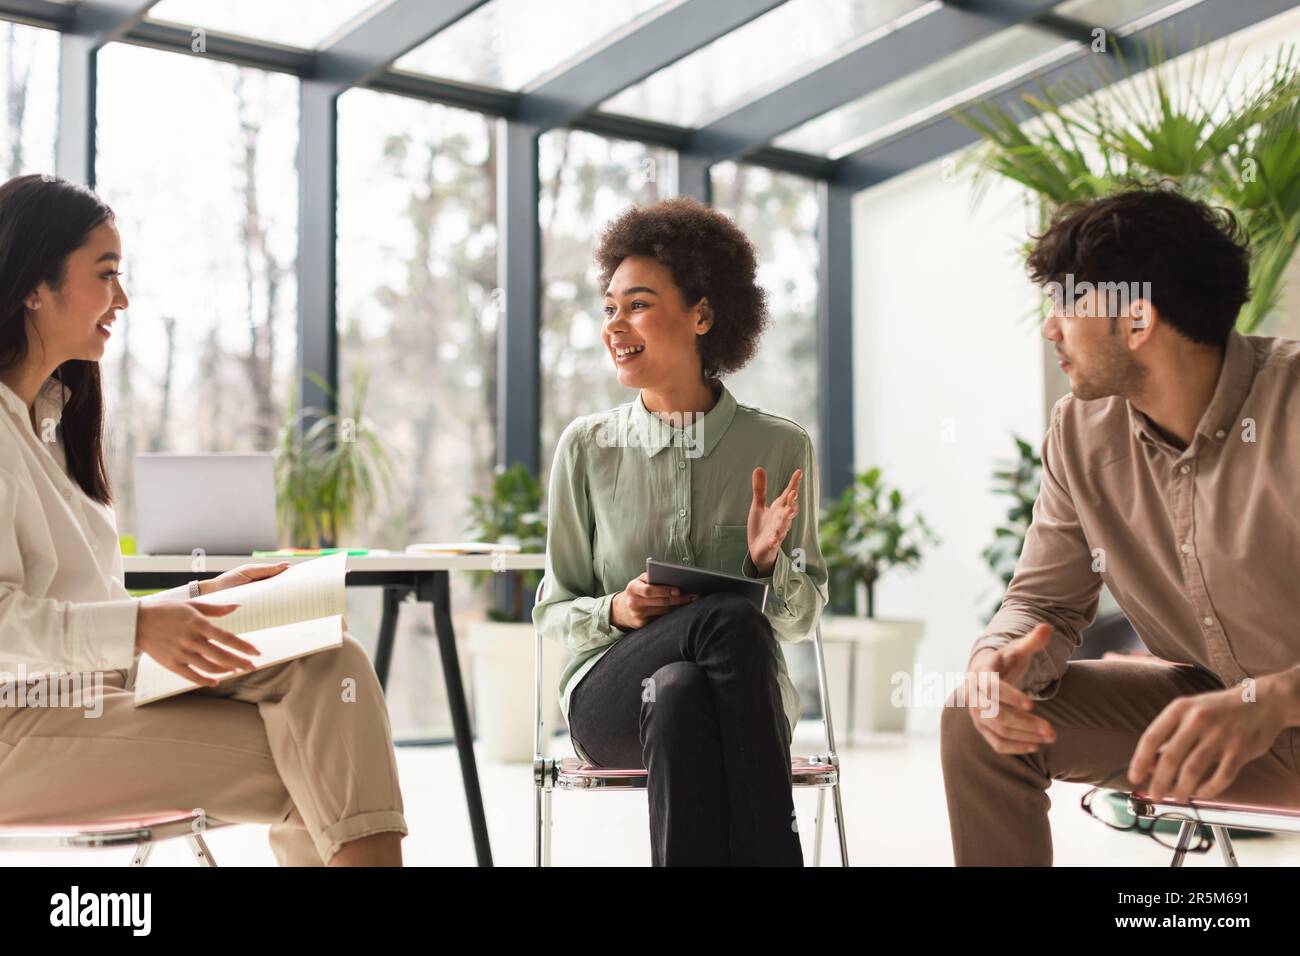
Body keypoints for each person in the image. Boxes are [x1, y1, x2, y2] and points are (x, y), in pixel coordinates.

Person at [0, 174, 407, 866]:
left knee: (328, 659)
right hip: (19, 728)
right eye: (106, 275)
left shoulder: (48, 423)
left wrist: (193, 601)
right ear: (36, 285)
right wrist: (139, 629)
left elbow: (75, 606)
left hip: (88, 688)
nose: (121, 299)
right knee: (324, 765)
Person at [941, 186, 1300, 865]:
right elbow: (1041, 601)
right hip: (1212, 718)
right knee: (973, 717)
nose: (1050, 328)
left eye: (1067, 305)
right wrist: (998, 664)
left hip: (1270, 710)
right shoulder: (1081, 434)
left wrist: (1274, 699)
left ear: (1137, 321)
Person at [533, 196, 829, 866]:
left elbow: (801, 618)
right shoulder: (588, 447)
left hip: (735, 706)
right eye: (609, 306)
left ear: (702, 314)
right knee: (723, 621)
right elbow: (551, 610)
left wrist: (766, 565)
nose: (614, 324)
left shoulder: (779, 447)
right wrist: (618, 607)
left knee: (679, 694)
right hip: (609, 701)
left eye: (636, 304)